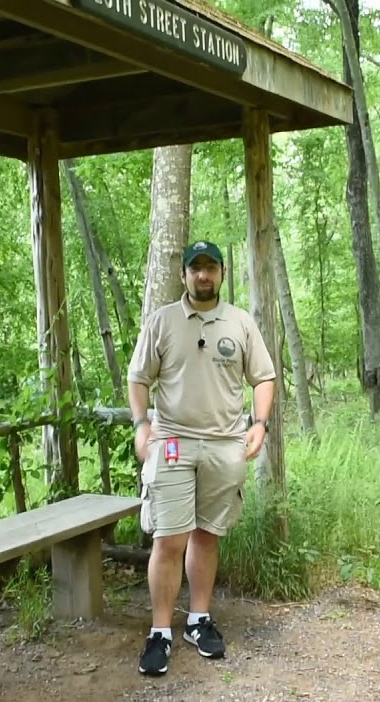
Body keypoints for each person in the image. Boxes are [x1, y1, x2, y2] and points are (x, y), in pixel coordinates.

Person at [126, 240, 276, 676]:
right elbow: (138, 379)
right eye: (196, 269)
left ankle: (198, 619)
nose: (203, 276)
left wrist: (259, 423)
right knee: (169, 539)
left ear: (222, 273)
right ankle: (159, 632)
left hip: (225, 444)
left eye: (211, 268)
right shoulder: (163, 322)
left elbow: (263, 376)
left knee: (207, 534)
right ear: (184, 275)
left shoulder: (240, 322)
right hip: (172, 442)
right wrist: (141, 424)